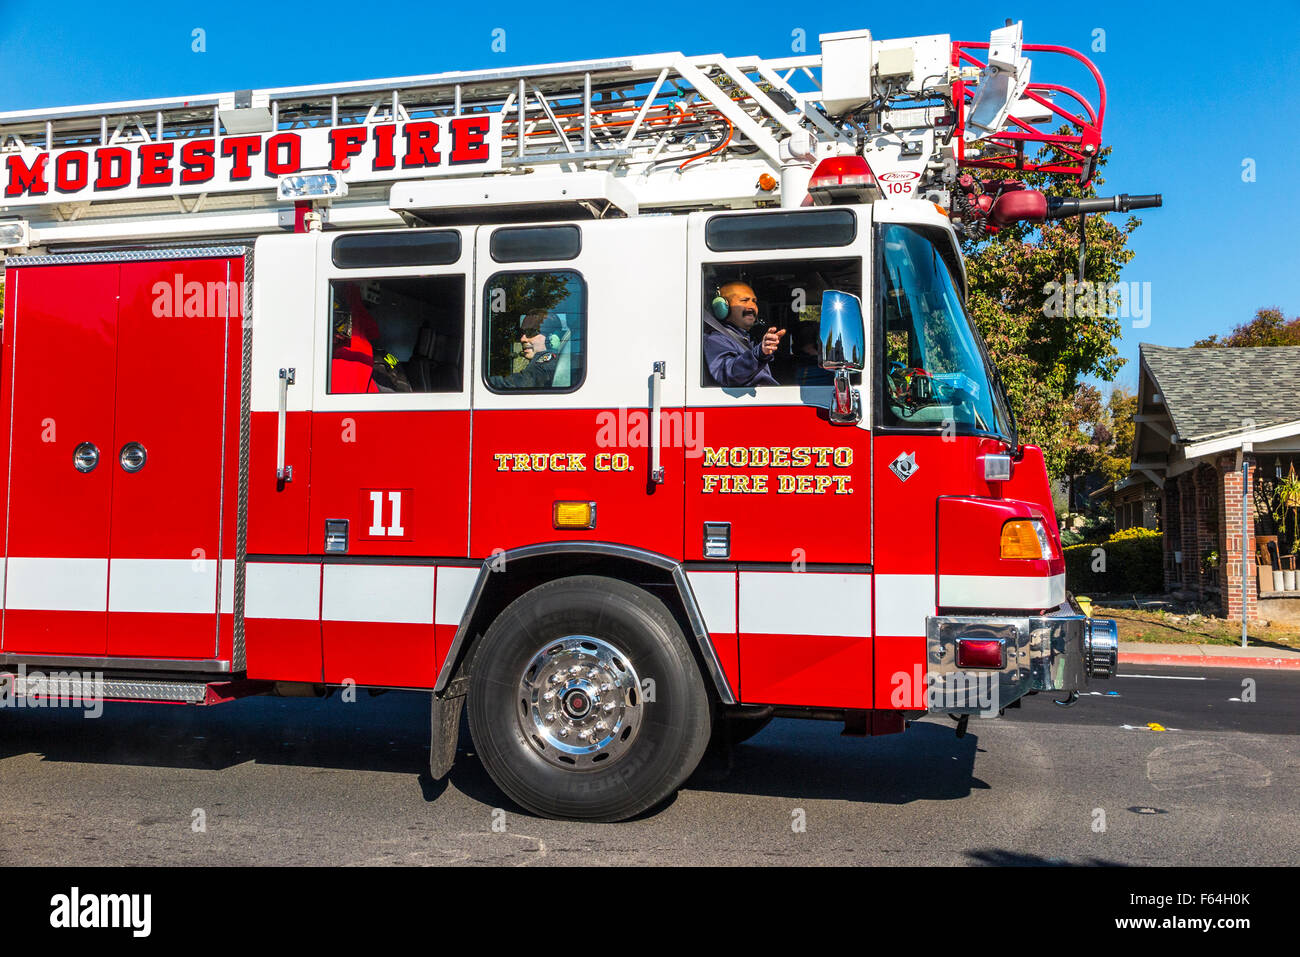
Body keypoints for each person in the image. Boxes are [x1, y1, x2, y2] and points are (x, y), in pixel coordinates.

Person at [703, 281, 784, 387]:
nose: (752, 306)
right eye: (744, 300)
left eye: (754, 301)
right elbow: (729, 374)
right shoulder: (715, 340)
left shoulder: (747, 338)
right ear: (722, 307)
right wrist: (759, 354)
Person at [488, 309, 563, 390]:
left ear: (552, 338)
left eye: (531, 333)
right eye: (522, 333)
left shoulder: (548, 362)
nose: (522, 339)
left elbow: (524, 382)